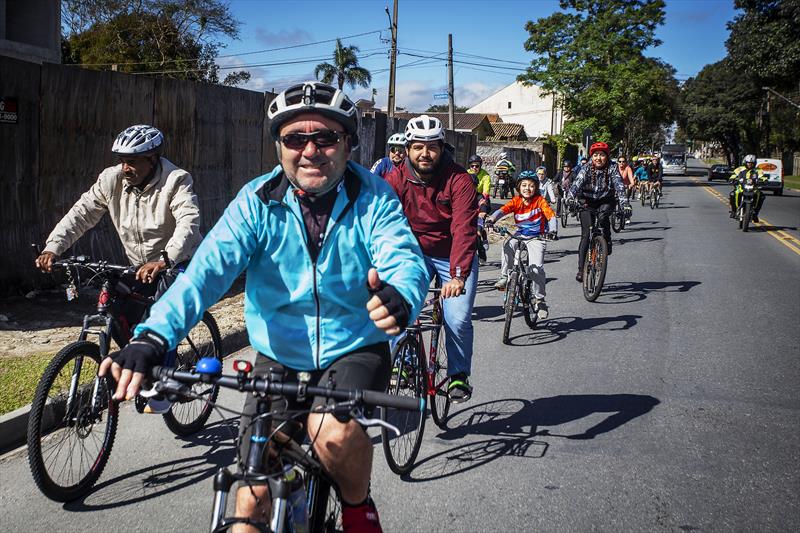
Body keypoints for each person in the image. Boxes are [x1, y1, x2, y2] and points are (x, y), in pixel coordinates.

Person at [99, 81, 430, 532]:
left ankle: (358, 507)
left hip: (354, 344)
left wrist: (400, 293)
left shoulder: (374, 197)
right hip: (278, 350)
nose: (310, 150)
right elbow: (205, 274)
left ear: (348, 144)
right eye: (296, 139)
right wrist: (153, 337)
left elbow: (403, 257)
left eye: (326, 138)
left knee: (331, 434)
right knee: (250, 493)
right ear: (279, 147)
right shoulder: (255, 202)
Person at [35, 124, 203, 413]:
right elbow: (82, 213)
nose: (126, 167)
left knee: (165, 313)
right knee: (122, 312)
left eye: (133, 161)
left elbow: (189, 223)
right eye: (122, 160)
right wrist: (54, 246)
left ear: (152, 159)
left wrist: (165, 259)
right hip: (137, 266)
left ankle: (165, 383)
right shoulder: (111, 179)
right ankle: (137, 360)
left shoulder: (176, 180)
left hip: (177, 260)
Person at [384, 114, 479, 403]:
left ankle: (459, 374)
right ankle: (403, 364)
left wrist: (458, 275)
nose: (425, 153)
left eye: (432, 147)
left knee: (458, 317)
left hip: (454, 255)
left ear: (441, 148)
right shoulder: (395, 179)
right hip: (414, 254)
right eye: (418, 147)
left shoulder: (459, 179)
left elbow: (464, 227)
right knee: (394, 308)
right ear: (408, 149)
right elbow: (383, 224)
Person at [485, 171, 557, 319]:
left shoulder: (540, 201)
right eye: (524, 185)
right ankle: (505, 276)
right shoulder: (516, 201)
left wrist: (553, 230)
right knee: (507, 244)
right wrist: (491, 219)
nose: (527, 188)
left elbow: (551, 216)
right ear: (519, 187)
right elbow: (501, 211)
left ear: (536, 188)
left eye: (531, 186)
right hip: (519, 235)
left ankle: (539, 299)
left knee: (536, 270)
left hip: (536, 237)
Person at [569, 142, 630, 282]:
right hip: (587, 201)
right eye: (595, 155)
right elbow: (576, 184)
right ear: (592, 156)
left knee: (603, 218)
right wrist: (570, 198)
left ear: (606, 157)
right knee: (585, 235)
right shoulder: (586, 168)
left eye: (602, 155)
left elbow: (620, 187)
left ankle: (606, 239)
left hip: (605, 200)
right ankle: (580, 270)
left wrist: (625, 205)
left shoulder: (613, 168)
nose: (598, 158)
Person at [468, 154, 492, 263]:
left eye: (477, 166)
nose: (474, 168)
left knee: (478, 232)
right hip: (468, 210)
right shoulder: (466, 174)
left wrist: (483, 210)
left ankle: (481, 250)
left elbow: (485, 193)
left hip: (482, 202)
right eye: (472, 166)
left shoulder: (485, 176)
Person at [728, 154, 767, 221]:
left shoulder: (758, 170)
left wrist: (764, 180)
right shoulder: (740, 169)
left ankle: (755, 214)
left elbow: (763, 176)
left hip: (753, 188)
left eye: (751, 163)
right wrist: (732, 179)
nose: (750, 164)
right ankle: (734, 211)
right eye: (748, 163)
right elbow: (733, 175)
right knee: (733, 194)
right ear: (745, 162)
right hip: (741, 187)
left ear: (754, 163)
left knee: (761, 196)